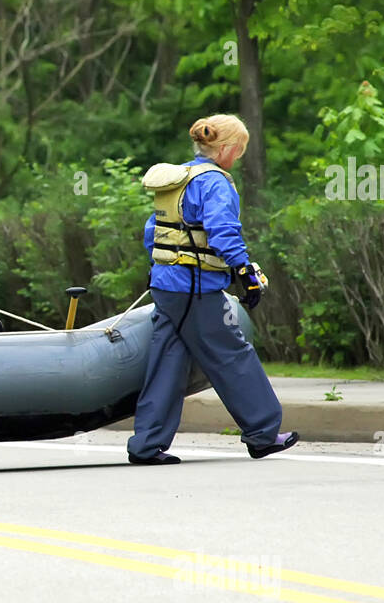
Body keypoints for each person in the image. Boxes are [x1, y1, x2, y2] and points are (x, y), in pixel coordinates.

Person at [126, 114, 298, 465]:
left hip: (166, 284)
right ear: (229, 148)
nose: (239, 157)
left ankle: (146, 444)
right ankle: (263, 434)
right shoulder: (216, 182)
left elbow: (152, 233)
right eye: (240, 150)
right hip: (197, 288)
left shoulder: (178, 178)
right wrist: (245, 272)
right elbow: (222, 231)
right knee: (232, 353)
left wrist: (164, 269)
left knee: (167, 362)